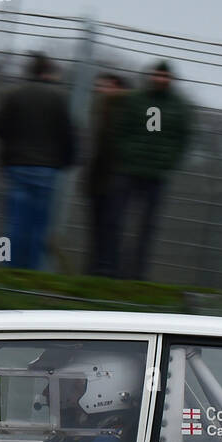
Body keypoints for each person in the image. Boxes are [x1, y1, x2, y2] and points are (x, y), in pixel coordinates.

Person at [0, 52, 77, 270]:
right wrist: (66, 161)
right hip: (46, 168)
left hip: (16, 166)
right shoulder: (58, 98)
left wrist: (8, 151)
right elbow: (68, 134)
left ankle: (7, 267)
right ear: (47, 73)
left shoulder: (13, 95)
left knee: (13, 224)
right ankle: (33, 273)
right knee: (39, 226)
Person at [110, 60, 192, 280]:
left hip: (157, 174)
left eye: (165, 76)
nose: (160, 80)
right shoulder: (136, 101)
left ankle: (136, 274)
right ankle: (113, 269)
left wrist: (168, 161)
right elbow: (122, 129)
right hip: (129, 169)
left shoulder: (179, 107)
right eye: (157, 75)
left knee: (147, 228)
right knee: (117, 220)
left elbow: (184, 138)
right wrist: (127, 153)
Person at [84, 72, 127, 277]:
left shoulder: (122, 111)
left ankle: (107, 269)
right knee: (98, 227)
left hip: (115, 179)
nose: (99, 90)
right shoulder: (99, 110)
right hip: (99, 178)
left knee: (110, 226)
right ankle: (97, 268)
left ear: (117, 87)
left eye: (104, 86)